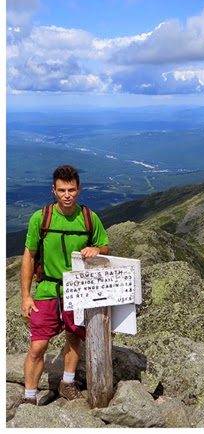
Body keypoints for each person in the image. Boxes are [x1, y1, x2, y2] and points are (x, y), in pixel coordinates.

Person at [20, 165, 110, 404]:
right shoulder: (41, 218)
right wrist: (26, 296)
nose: (67, 195)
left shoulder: (90, 218)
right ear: (54, 190)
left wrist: (97, 249)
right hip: (47, 290)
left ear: (79, 189)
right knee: (38, 346)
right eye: (62, 190)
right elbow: (29, 257)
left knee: (73, 337)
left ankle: (67, 383)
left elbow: (105, 247)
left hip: (77, 290)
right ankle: (29, 397)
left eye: (71, 189)